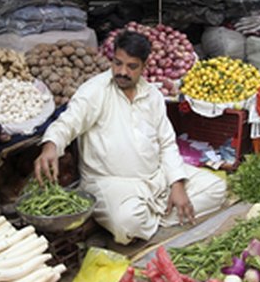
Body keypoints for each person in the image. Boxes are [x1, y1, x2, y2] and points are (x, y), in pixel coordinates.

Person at [34, 30, 227, 244]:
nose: (122, 71)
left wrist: (177, 185)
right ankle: (155, 217)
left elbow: (167, 142)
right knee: (128, 222)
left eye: (131, 66)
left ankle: (152, 218)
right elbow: (68, 122)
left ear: (144, 67)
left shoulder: (152, 95)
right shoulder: (94, 91)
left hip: (155, 178)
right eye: (118, 63)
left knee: (216, 188)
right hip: (111, 184)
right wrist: (51, 145)